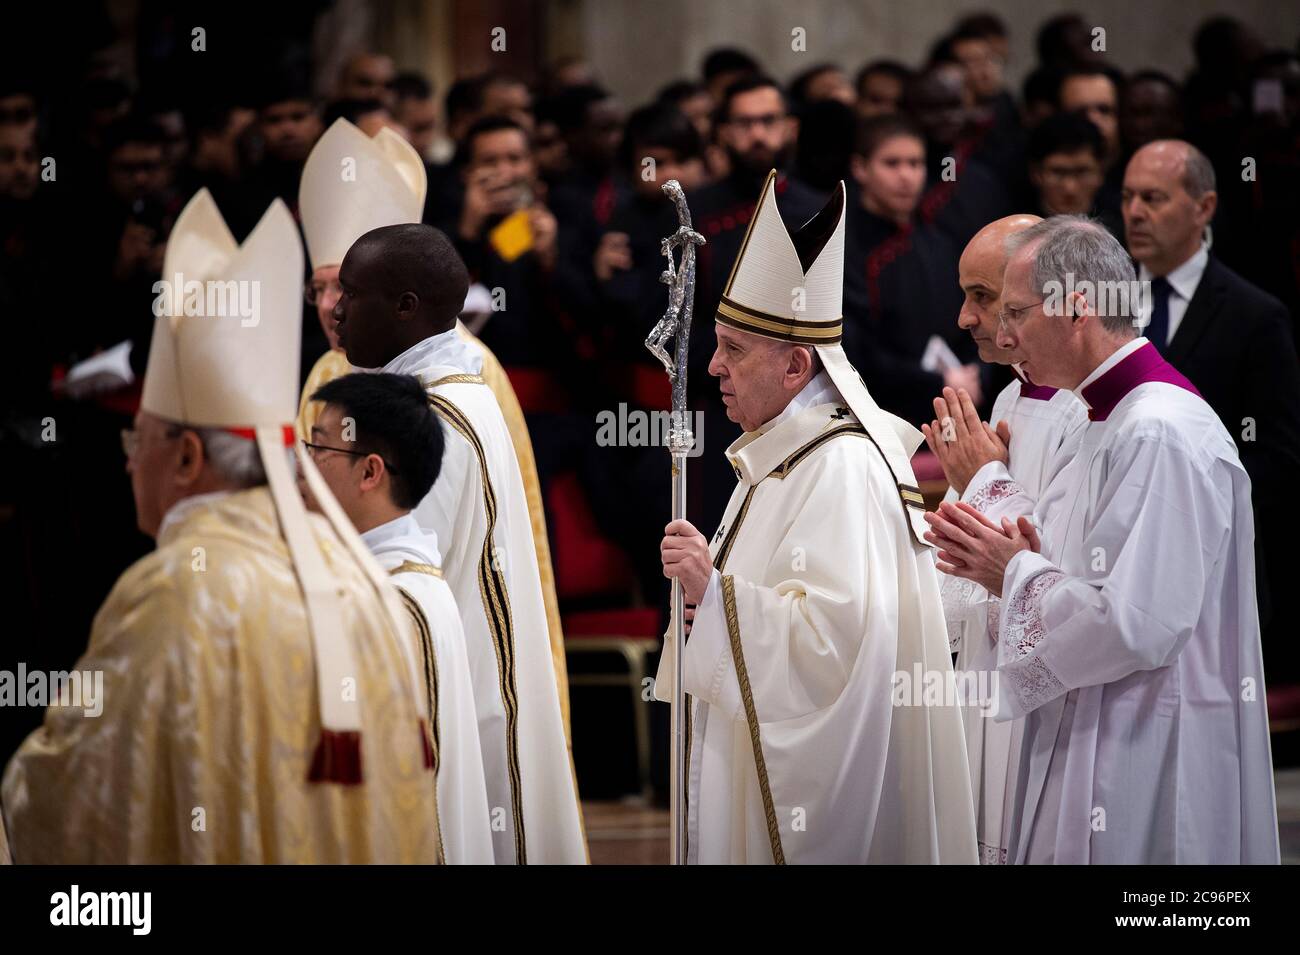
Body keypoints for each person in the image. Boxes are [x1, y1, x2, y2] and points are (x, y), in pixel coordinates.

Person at [1, 191, 441, 863]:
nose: (129, 466)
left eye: (135, 443)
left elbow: (77, 801)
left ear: (186, 456)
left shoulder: (174, 590)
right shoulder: (349, 563)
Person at [925, 215, 1280, 863]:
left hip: (1145, 741)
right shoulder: (1104, 421)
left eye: (1015, 313)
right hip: (1093, 721)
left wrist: (1014, 573)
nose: (1001, 335)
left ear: (1076, 307)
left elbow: (1132, 622)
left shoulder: (1158, 430)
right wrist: (1015, 567)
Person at [655, 170, 977, 864]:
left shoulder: (840, 466)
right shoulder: (779, 451)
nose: (713, 367)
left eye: (733, 350)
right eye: (715, 345)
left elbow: (839, 651)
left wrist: (716, 596)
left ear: (797, 364)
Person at [333, 221, 586, 864]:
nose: (335, 309)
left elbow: (408, 579)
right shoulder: (456, 393)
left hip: (462, 701)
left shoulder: (434, 419)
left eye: (350, 292)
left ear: (406, 307)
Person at [923, 213, 1089, 865]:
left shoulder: (1089, 413)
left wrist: (981, 476)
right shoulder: (1013, 399)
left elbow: (1059, 570)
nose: (964, 318)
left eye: (982, 297)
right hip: (991, 673)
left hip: (1054, 694)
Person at [1123, 139, 1300, 683]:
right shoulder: (1107, 302)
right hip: (1117, 555)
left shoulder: (1255, 314)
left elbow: (1278, 453)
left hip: (1212, 555)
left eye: (1153, 198)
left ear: (1203, 207)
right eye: (1128, 196)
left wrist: (1188, 507)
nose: (1134, 212)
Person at [304, 371, 494, 864]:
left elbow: (402, 794)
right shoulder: (394, 582)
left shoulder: (397, 605)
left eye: (319, 448)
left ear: (370, 473)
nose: (302, 467)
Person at [842, 114, 977, 425]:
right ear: (860, 168)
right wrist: (935, 381)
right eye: (892, 163)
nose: (906, 176)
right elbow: (856, 350)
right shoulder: (846, 247)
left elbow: (970, 322)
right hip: (878, 416)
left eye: (915, 163)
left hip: (954, 408)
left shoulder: (940, 241)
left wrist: (974, 372)